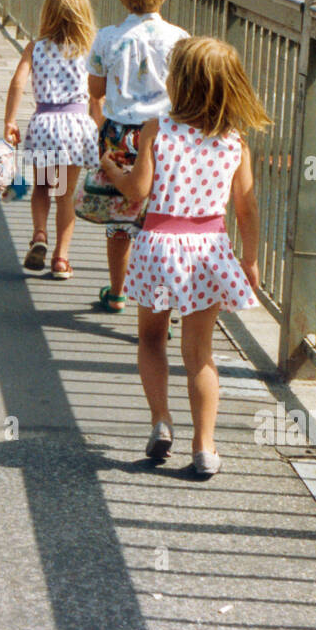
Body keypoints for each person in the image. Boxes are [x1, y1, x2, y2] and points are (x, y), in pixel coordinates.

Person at [98, 36, 268, 478]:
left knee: (152, 339)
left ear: (182, 84)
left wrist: (113, 170)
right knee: (200, 353)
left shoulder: (159, 128)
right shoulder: (236, 143)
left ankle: (161, 421)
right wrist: (250, 259)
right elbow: (247, 208)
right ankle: (205, 446)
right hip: (209, 250)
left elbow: (138, 192)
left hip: (157, 247)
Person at [86, 0, 188, 314]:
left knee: (120, 220)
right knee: (161, 223)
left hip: (118, 136)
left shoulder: (107, 38)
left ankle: (117, 292)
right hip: (164, 136)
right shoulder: (179, 39)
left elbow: (96, 91)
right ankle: (163, 303)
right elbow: (183, 92)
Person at [3, 0, 103, 280]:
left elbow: (18, 82)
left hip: (44, 125)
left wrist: (10, 120)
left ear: (48, 13)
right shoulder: (89, 51)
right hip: (75, 128)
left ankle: (39, 234)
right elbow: (98, 97)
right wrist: (98, 129)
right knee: (65, 194)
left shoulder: (36, 47)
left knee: (42, 188)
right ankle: (61, 258)